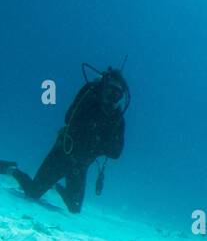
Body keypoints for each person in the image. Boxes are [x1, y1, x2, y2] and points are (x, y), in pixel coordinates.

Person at [1, 64, 128, 214]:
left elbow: (116, 153)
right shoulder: (88, 99)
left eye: (117, 94)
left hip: (81, 165)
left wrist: (101, 140)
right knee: (32, 192)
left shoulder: (117, 120)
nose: (112, 98)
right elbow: (69, 118)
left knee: (74, 208)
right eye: (109, 91)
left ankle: (54, 185)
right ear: (102, 89)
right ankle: (11, 169)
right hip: (62, 154)